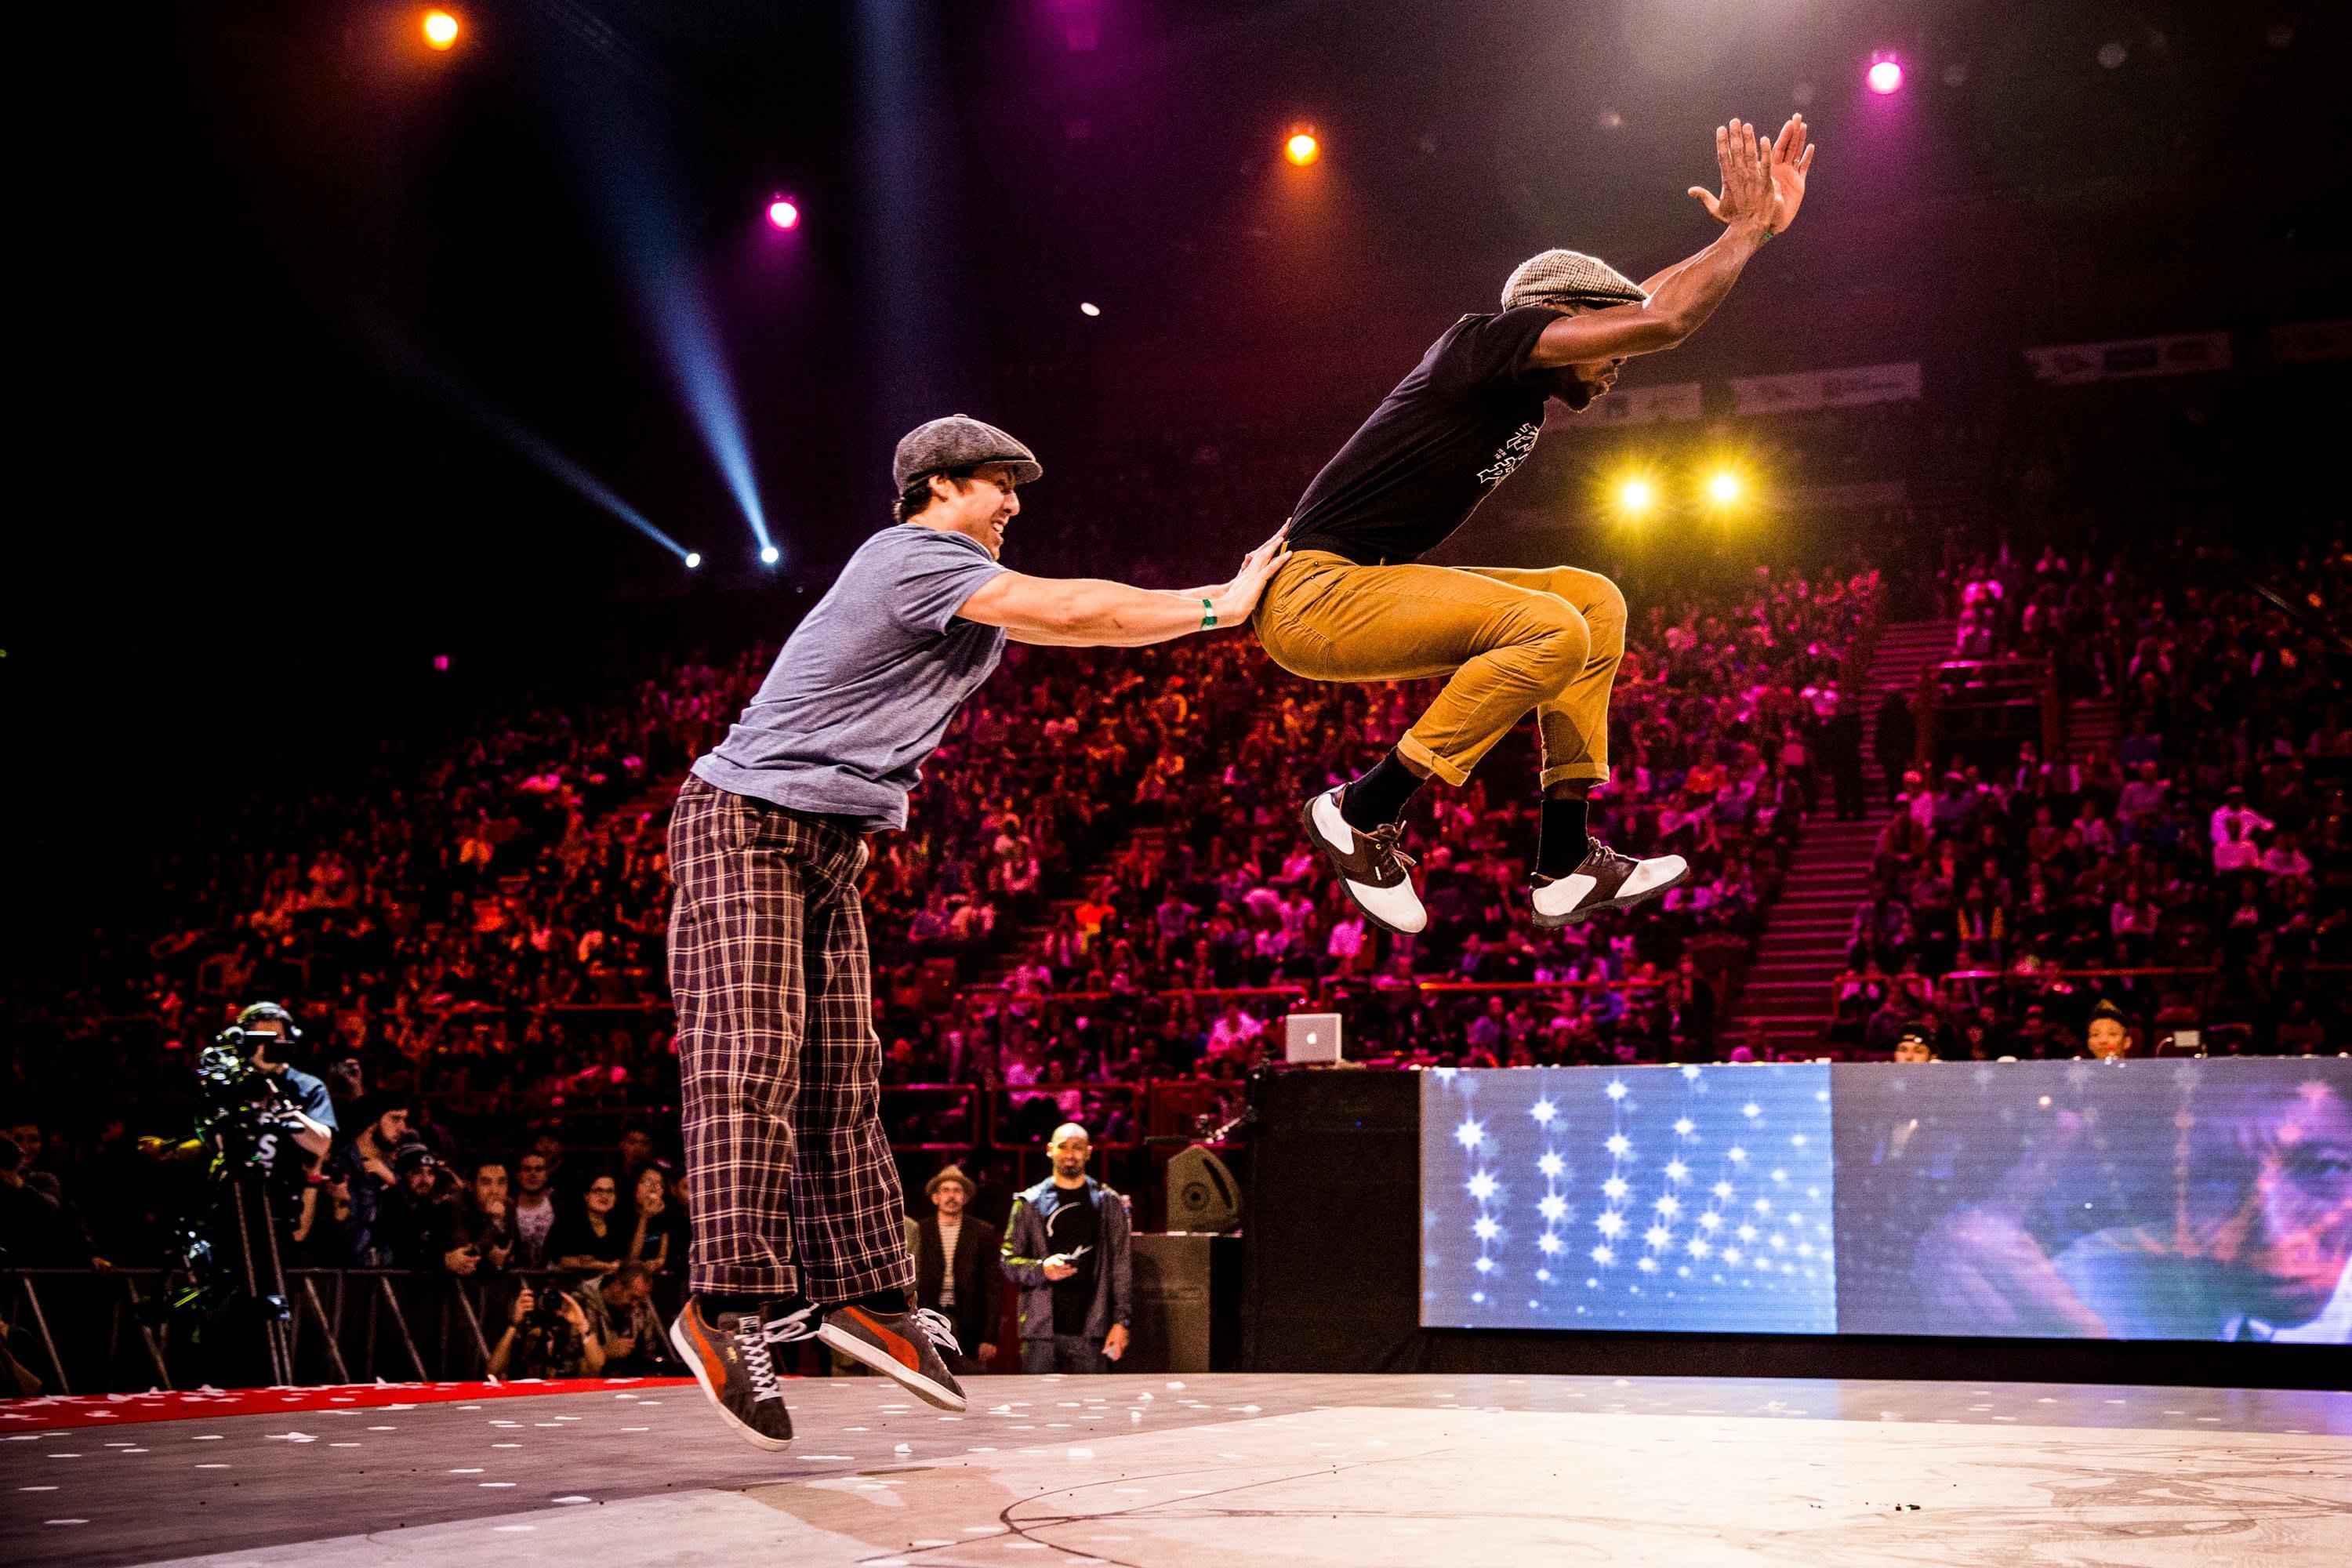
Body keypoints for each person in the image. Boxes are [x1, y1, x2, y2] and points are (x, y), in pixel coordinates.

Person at [665, 415, 1288, 1449]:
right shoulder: (912, 557)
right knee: (754, 1057)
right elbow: (1068, 601)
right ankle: (726, 1309)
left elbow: (1090, 624)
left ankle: (864, 1296)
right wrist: (1221, 597)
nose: (1015, 504)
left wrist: (1219, 607)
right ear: (941, 486)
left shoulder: (967, 598)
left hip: (822, 840)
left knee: (840, 1076)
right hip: (748, 821)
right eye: (1002, 485)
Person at [1260, 116, 1815, 933]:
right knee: (1552, 629)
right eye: (1604, 339)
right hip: (1318, 596)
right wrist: (1743, 228)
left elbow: (1651, 304)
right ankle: (1364, 811)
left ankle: (1565, 859)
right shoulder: (1493, 340)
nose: (1619, 360)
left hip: (1357, 585)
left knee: (1592, 604)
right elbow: (1659, 320)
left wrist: (1753, 234)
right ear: (1562, 315)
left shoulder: (1510, 374)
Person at [1001, 1123, 1133, 1374]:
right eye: (1063, 1147)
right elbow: (1007, 1262)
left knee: (1093, 1408)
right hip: (1041, 1330)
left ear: (1089, 1152)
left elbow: (1121, 1266)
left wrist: (1121, 1322)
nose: (1070, 1154)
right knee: (1038, 1406)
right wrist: (1042, 1269)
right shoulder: (1029, 1202)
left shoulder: (1108, 1203)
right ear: (1050, 1150)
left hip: (1093, 1328)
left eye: (1078, 1148)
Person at [913, 1165, 1004, 1375]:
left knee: (973, 1381)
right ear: (935, 1198)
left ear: (965, 1198)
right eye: (945, 1190)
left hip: (969, 1324)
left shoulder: (982, 1232)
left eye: (957, 1191)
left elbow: (993, 1289)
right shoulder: (921, 1231)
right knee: (930, 1379)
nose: (951, 1196)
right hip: (929, 1320)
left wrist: (989, 1337)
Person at [547, 1171, 626, 1274]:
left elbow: (623, 1260)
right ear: (586, 1195)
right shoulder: (569, 1219)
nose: (605, 1196)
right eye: (598, 1190)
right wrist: (608, 1266)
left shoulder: (617, 1222)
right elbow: (564, 1261)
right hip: (567, 1281)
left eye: (610, 1191)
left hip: (604, 1282)